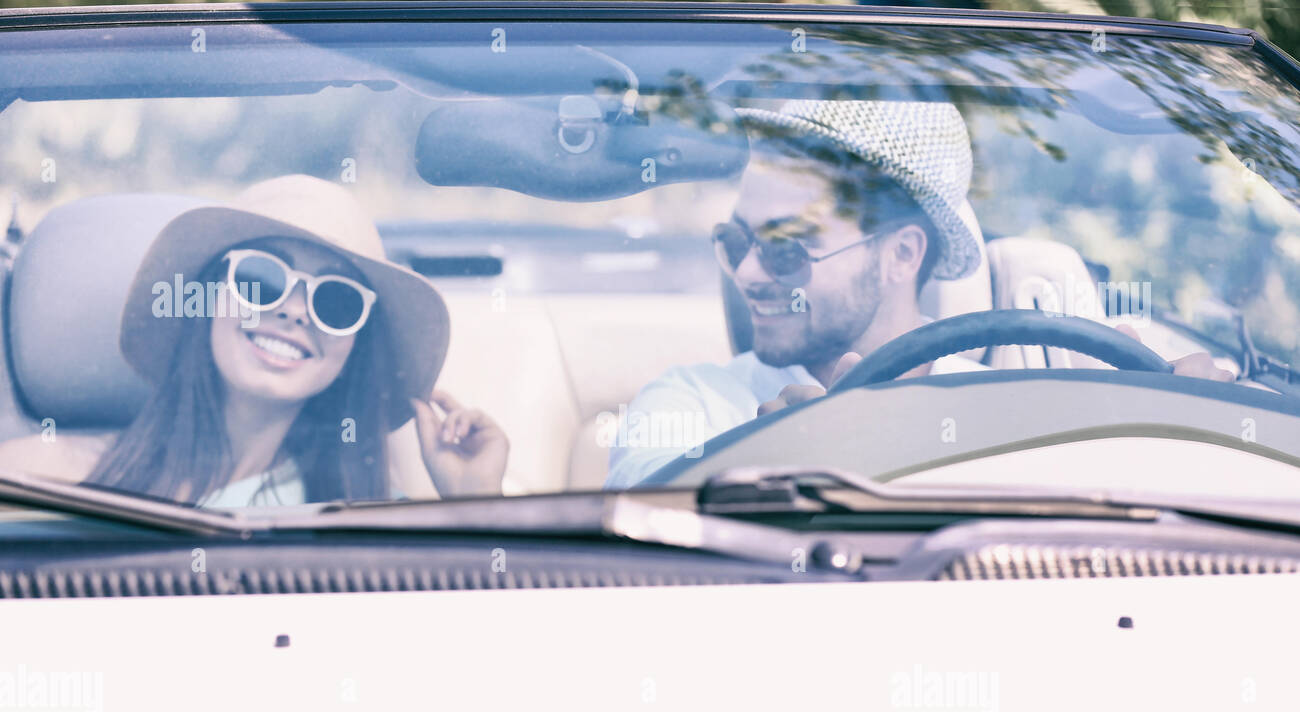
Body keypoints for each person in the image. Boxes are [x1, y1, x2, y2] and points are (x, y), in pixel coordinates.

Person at [605, 99, 1231, 489]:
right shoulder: (693, 404)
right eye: (735, 241)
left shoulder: (1017, 410)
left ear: (902, 253)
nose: (744, 275)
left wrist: (1197, 444)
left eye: (786, 249)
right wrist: (767, 470)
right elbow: (640, 540)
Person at [0, 175, 508, 505]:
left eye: (335, 301)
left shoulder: (371, 521)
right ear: (207, 300)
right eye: (260, 279)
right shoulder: (37, 480)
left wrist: (478, 505)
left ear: (354, 347)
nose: (291, 309)